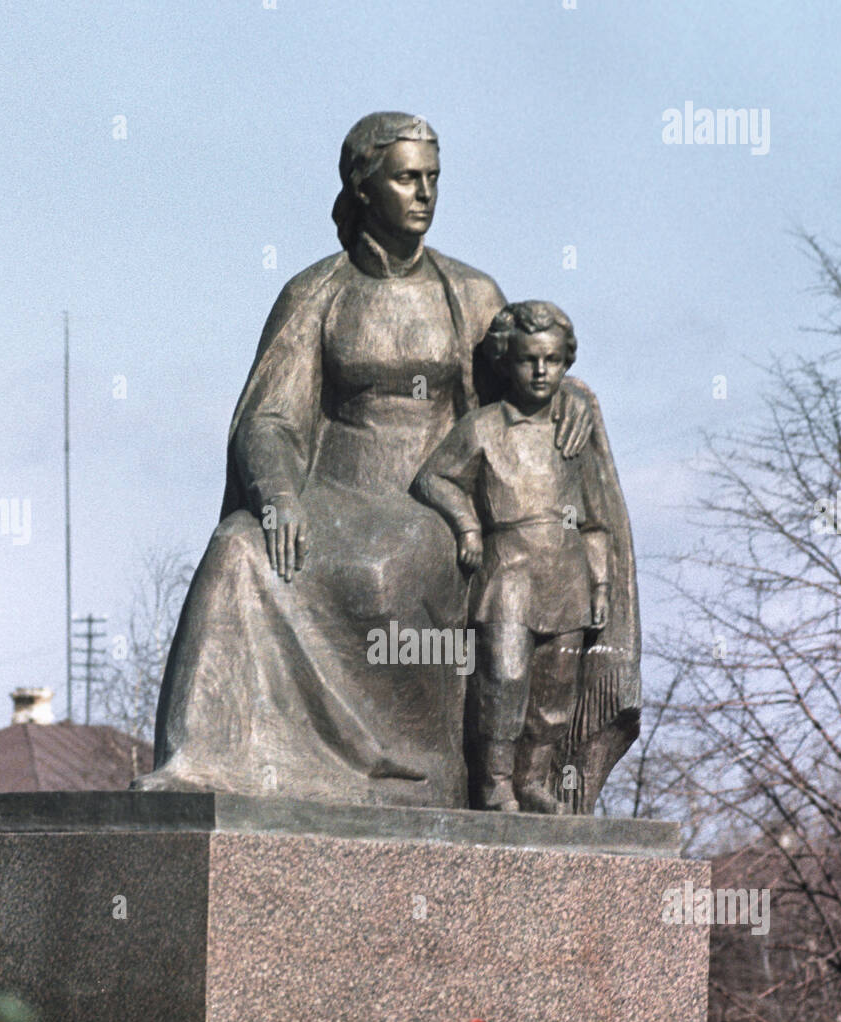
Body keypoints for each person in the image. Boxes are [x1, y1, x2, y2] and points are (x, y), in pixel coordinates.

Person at [136, 113, 631, 811]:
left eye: (433, 179)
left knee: (386, 562)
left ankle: (416, 772)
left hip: (435, 502)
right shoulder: (317, 293)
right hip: (332, 495)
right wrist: (277, 491)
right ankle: (205, 762)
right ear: (364, 187)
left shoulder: (471, 293)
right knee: (238, 548)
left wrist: (572, 398)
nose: (425, 194)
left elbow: (520, 393)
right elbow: (269, 417)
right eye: (407, 178)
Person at [414, 301, 614, 812]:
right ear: (508, 361)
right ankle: (495, 781)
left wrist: (601, 585)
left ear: (566, 362)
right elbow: (434, 478)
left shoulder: (572, 434)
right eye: (529, 359)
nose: (541, 371)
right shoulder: (483, 428)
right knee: (503, 679)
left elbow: (593, 520)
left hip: (565, 570)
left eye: (552, 360)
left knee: (556, 690)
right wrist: (467, 522)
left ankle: (533, 779)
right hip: (509, 569)